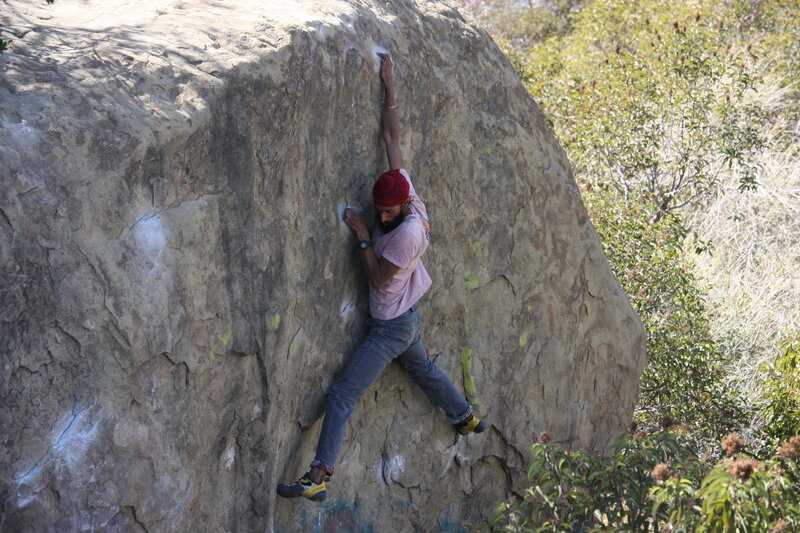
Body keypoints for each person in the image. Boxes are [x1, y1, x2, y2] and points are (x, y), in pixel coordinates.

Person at [276, 52, 486, 503]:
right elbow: (392, 136)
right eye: (380, 209)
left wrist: (363, 235)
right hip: (407, 318)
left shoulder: (404, 237)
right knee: (423, 368)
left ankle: (319, 474)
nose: (383, 213)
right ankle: (463, 415)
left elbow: (376, 281)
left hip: (390, 325)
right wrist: (389, 86)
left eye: (387, 210)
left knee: (341, 394)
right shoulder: (407, 193)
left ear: (402, 206)